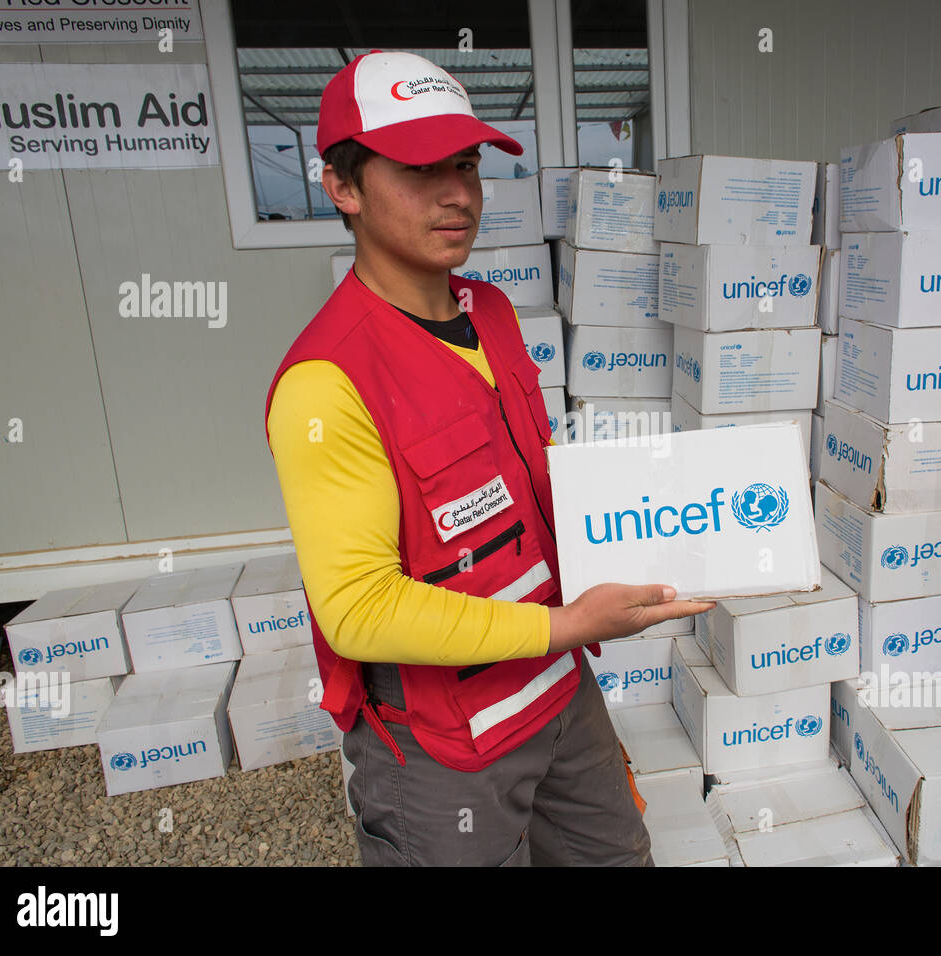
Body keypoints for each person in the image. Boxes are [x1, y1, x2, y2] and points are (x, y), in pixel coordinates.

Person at [263, 50, 713, 867]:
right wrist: (568, 624)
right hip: (444, 746)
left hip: (558, 690)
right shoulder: (326, 383)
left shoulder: (493, 310)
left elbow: (531, 489)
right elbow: (358, 610)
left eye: (467, 164)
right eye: (420, 168)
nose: (459, 194)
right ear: (342, 186)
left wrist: (671, 529)